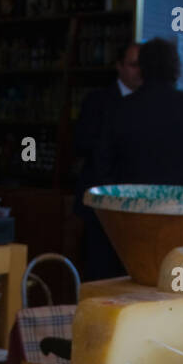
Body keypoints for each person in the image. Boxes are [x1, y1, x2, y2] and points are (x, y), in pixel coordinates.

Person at [95, 38, 183, 189]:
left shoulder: (119, 107)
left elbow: (103, 165)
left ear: (142, 68)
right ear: (176, 68)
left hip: (131, 203)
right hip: (182, 204)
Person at [74, 43, 140, 280]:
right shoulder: (98, 100)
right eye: (133, 64)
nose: (139, 71)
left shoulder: (146, 103)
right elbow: (80, 142)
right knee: (99, 273)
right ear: (120, 67)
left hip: (134, 205)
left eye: (142, 65)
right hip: (101, 203)